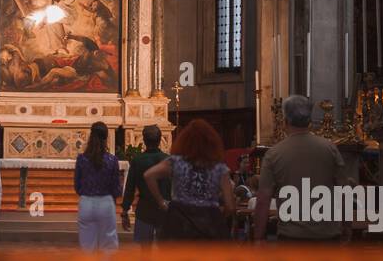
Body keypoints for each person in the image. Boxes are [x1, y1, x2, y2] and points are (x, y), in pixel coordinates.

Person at [253, 95, 349, 242]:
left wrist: (258, 237)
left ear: (285, 121)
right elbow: (344, 192)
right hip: (327, 236)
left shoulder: (274, 154)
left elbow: (263, 199)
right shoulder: (330, 149)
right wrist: (346, 227)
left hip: (292, 237)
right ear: (309, 121)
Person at [144, 118, 234, 239]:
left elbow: (149, 175)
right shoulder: (219, 168)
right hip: (209, 221)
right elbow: (229, 205)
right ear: (211, 143)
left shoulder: (176, 162)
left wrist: (161, 201)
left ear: (185, 141)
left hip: (179, 220)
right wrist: (219, 215)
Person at [74, 122, 122, 261]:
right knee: (109, 245)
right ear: (106, 137)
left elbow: (77, 186)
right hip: (105, 202)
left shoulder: (82, 159)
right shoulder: (111, 160)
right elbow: (116, 189)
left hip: (86, 202)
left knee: (87, 248)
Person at [121, 125, 169, 261]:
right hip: (165, 210)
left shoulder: (138, 161)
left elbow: (130, 188)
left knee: (145, 252)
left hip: (145, 209)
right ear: (160, 139)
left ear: (143, 139)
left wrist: (125, 210)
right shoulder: (168, 159)